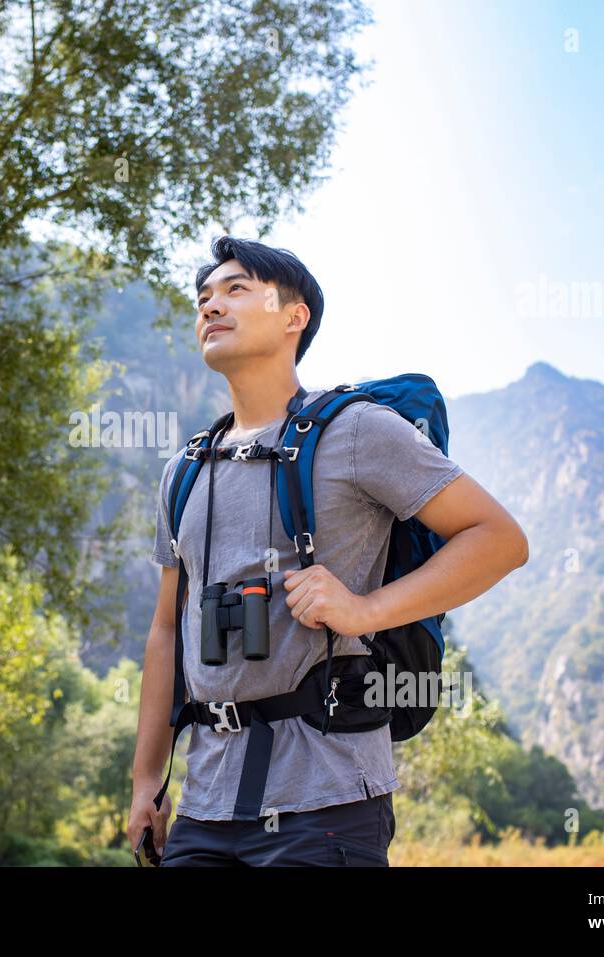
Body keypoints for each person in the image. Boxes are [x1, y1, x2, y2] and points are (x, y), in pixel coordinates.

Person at [127, 236, 529, 866]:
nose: (211, 306)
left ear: (295, 316)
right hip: (205, 805)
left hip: (329, 802)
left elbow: (499, 540)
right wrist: (145, 779)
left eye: (236, 290)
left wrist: (364, 611)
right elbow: (163, 633)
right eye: (203, 297)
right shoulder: (182, 470)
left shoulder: (356, 431)